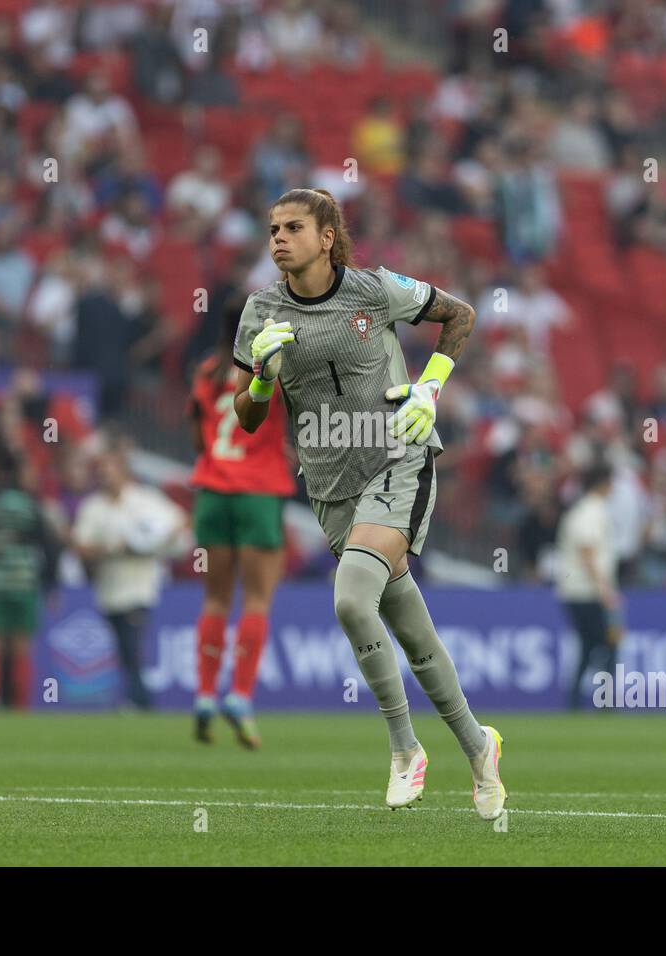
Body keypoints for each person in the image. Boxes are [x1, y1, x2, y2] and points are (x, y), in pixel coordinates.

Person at [231, 187, 505, 819]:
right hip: (330, 487)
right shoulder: (261, 310)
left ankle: (405, 748)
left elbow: (460, 314)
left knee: (352, 600)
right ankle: (478, 747)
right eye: (272, 229)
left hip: (398, 460)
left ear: (327, 237)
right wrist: (262, 379)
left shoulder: (375, 290)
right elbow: (245, 418)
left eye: (292, 228)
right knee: (410, 630)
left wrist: (429, 388)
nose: (278, 239)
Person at [186, 295, 295, 747]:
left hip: (213, 490)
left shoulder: (207, 370)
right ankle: (241, 697)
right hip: (259, 491)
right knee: (256, 600)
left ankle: (204, 696)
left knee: (215, 600)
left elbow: (198, 438)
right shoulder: (271, 365)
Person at [72, 446, 187, 714]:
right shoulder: (93, 506)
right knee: (123, 648)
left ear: (124, 473)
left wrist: (153, 544)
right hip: (108, 589)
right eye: (101, 471)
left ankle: (139, 700)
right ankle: (139, 700)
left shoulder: (145, 500)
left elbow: (180, 523)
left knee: (132, 644)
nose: (105, 476)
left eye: (110, 470)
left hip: (139, 587)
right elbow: (80, 545)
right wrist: (111, 548)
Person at [0, 434, 59, 710]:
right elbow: (50, 547)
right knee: (21, 647)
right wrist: (50, 584)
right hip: (23, 583)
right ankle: (20, 704)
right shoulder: (29, 505)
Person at [556, 464, 620, 710]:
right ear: (604, 484)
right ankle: (605, 702)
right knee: (609, 644)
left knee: (589, 645)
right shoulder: (591, 512)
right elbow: (587, 551)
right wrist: (605, 590)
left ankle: (575, 701)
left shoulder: (581, 510)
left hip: (577, 591)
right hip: (586, 592)